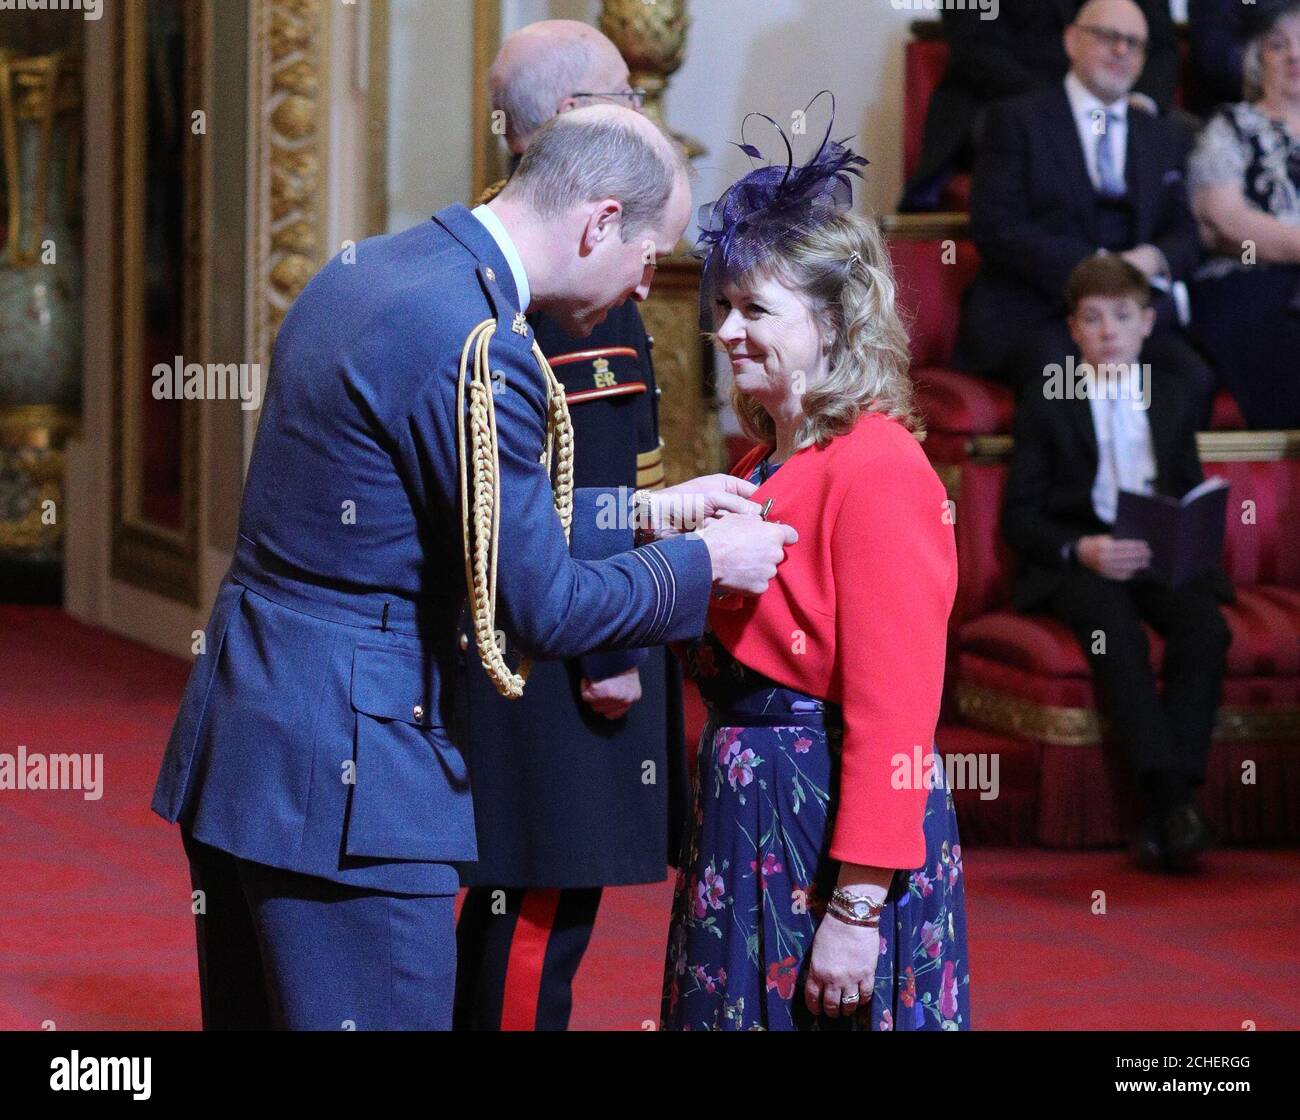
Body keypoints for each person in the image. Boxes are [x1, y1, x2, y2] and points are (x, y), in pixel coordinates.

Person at [149, 104, 798, 1031]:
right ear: (600, 221)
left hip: (252, 737)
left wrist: (646, 510)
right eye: (648, 260)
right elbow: (543, 607)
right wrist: (702, 565)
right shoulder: (480, 342)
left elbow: (438, 505)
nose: (640, 288)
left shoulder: (375, 267)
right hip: (350, 775)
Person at [660, 97, 970, 1031]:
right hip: (750, 830)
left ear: (834, 322)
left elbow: (899, 714)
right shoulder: (762, 462)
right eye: (722, 307)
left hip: (830, 845)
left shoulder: (878, 465)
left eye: (757, 308)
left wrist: (856, 908)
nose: (727, 330)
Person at [453, 20, 691, 1032]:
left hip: (519, 632)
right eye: (622, 98)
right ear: (566, 120)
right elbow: (589, 483)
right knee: (540, 904)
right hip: (568, 649)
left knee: (514, 903)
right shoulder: (575, 285)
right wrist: (616, 651)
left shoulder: (497, 252)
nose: (638, 115)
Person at [1002, 254, 1233, 874]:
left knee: (1206, 629)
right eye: (1093, 319)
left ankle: (1171, 804)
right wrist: (1083, 549)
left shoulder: (1173, 392)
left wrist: (1191, 524)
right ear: (1074, 329)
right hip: (1083, 556)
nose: (1108, 331)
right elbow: (1019, 516)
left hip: (1157, 550)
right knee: (1115, 637)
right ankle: (1172, 801)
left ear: (1147, 323)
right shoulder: (1049, 399)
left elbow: (1184, 481)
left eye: (1122, 317)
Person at [956, 0, 1214, 421]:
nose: (1121, 51)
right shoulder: (1015, 120)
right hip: (1040, 310)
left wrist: (1154, 259)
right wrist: (1099, 271)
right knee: (1062, 379)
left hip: (1131, 321)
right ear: (1071, 41)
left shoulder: (1161, 133)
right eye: (1108, 37)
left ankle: (1159, 489)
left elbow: (1187, 233)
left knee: (1189, 376)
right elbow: (997, 229)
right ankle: (1074, 491)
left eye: (1134, 44)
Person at [900, 0, 1178, 212]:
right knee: (1021, 130)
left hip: (1119, 104)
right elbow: (976, 51)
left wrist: (1140, 102)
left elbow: (1161, 44)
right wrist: (1071, 103)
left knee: (1186, 138)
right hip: (1009, 99)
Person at [1187, 0, 1300, 430]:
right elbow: (1226, 221)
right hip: (1246, 283)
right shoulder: (1228, 126)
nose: (1294, 55)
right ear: (1256, 60)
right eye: (1278, 45)